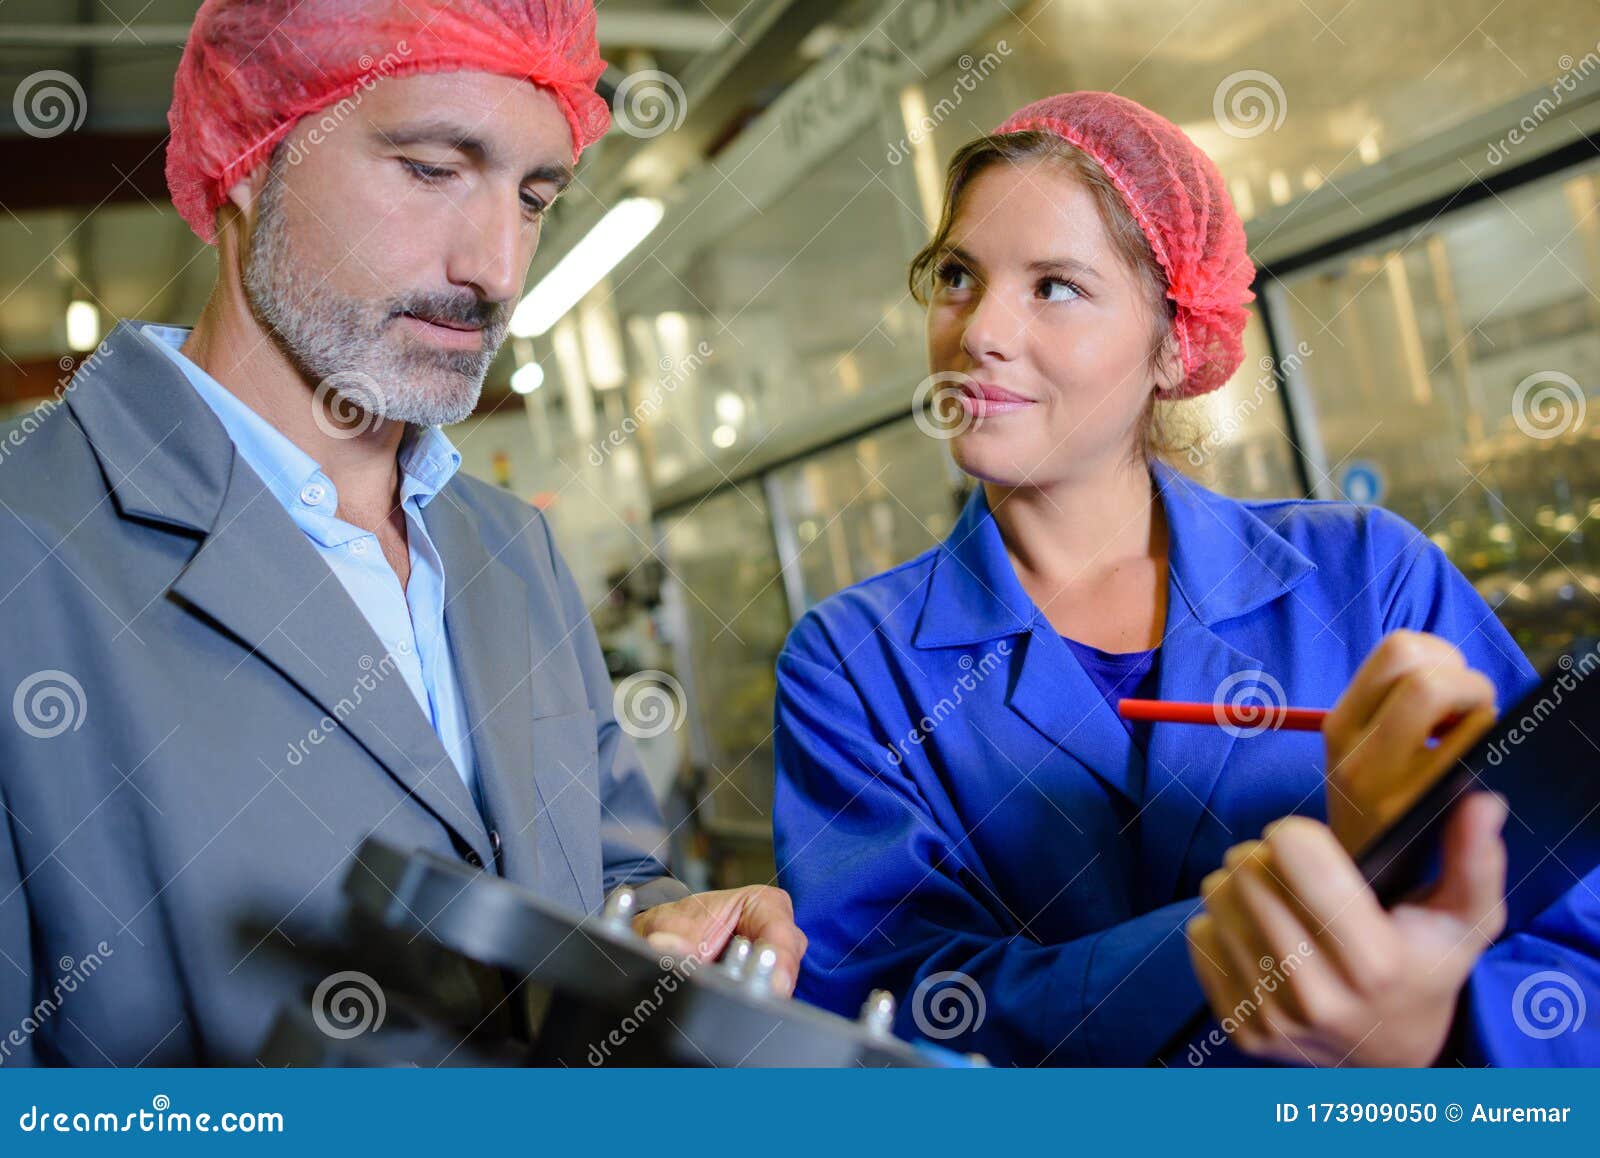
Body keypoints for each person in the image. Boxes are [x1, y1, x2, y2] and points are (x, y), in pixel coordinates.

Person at [0, 0, 802, 1067]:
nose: (497, 269)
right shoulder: (29, 553)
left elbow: (604, 877)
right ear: (251, 159)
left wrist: (657, 931)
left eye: (535, 198)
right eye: (431, 169)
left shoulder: (509, 550)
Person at [771, 91, 1599, 1066]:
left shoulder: (1369, 575)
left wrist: (1444, 1030)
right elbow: (891, 1009)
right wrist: (1297, 917)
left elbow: (1572, 934)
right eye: (958, 275)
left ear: (1174, 343)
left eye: (1055, 286)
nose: (980, 331)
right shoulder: (850, 661)